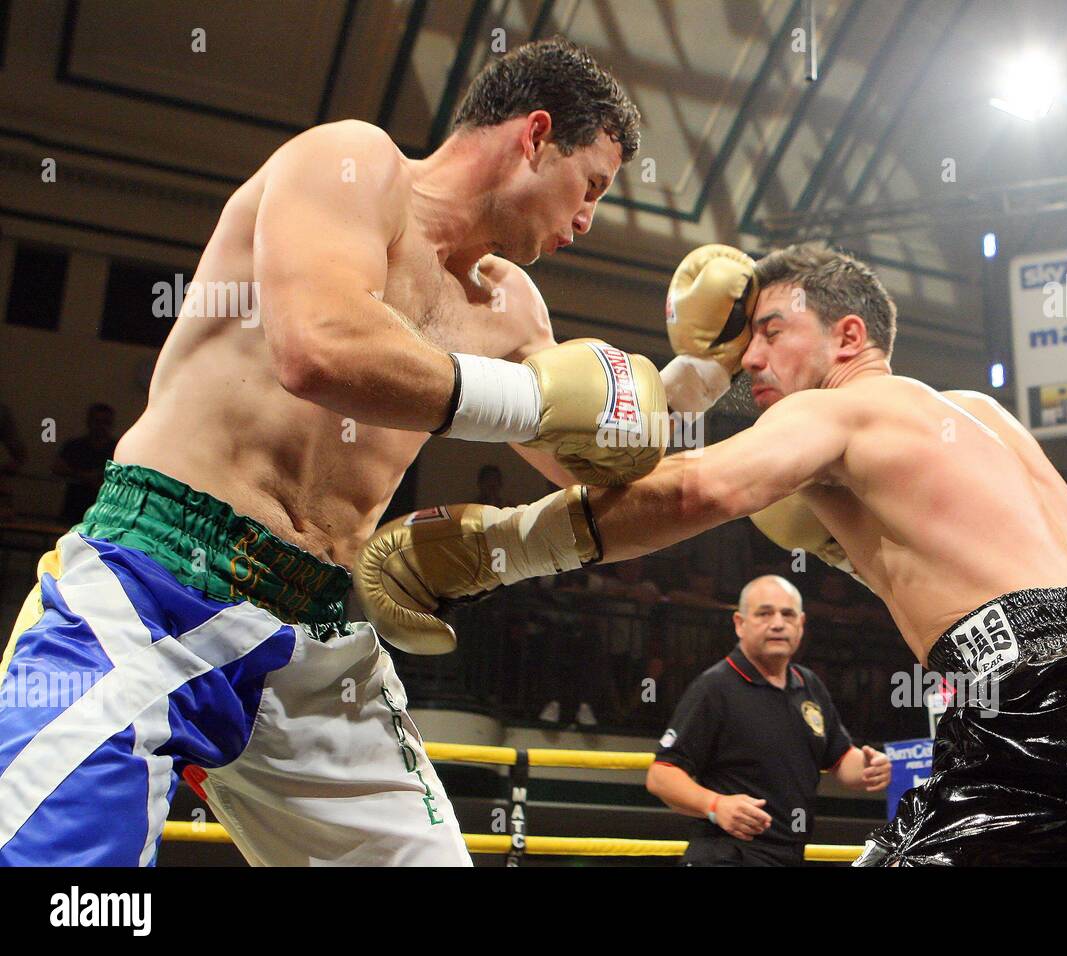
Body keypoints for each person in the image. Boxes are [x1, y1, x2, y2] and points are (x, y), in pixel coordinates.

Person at [0, 38, 666, 866]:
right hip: (151, 581)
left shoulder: (515, 311)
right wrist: (529, 400)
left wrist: (717, 431)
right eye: (591, 186)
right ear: (534, 136)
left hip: (313, 639)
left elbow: (603, 485)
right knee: (67, 889)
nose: (587, 221)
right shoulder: (353, 164)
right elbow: (320, 348)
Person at [364, 240, 1067, 866]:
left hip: (1039, 707)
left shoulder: (838, 413)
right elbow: (656, 476)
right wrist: (693, 379)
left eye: (770, 333)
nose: (752, 363)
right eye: (742, 350)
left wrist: (496, 544)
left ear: (849, 337)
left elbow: (690, 491)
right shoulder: (982, 419)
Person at [647, 575, 890, 865]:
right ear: (740, 623)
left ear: (800, 625)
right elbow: (661, 775)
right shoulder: (716, 687)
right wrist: (715, 805)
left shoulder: (808, 685)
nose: (777, 623)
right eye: (764, 613)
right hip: (725, 855)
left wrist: (868, 768)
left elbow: (840, 758)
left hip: (786, 856)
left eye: (787, 615)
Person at [52, 403, 117, 524]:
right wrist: (83, 476)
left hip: (105, 511)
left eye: (106, 422)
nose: (101, 426)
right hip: (74, 508)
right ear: (89, 422)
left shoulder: (117, 448)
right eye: (97, 421)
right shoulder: (75, 446)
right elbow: (57, 468)